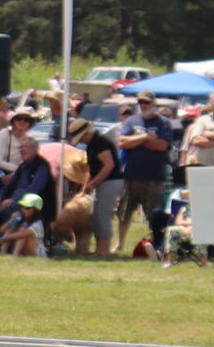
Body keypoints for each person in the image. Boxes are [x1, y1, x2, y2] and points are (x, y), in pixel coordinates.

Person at [115, 90, 179, 251]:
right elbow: (122, 142)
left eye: (146, 102)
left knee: (153, 213)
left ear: (153, 103)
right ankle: (119, 244)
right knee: (124, 212)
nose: (143, 105)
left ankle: (155, 244)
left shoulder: (163, 122)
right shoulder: (131, 121)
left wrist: (135, 141)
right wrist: (144, 138)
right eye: (141, 102)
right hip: (130, 175)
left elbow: (162, 146)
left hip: (154, 176)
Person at [68, 117, 122, 256]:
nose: (79, 141)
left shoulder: (100, 142)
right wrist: (84, 188)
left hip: (111, 182)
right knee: (95, 215)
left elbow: (109, 165)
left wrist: (95, 182)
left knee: (102, 214)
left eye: (80, 138)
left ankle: (103, 250)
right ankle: (100, 248)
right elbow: (91, 170)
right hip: (102, 182)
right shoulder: (92, 144)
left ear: (86, 133)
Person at [0, 192, 46, 257]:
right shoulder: (22, 219)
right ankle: (2, 254)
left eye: (27, 208)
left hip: (38, 254)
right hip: (26, 253)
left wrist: (4, 238)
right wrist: (12, 220)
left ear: (36, 210)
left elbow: (21, 234)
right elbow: (1, 231)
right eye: (22, 206)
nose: (23, 210)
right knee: (11, 229)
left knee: (21, 233)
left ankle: (14, 256)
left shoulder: (38, 224)